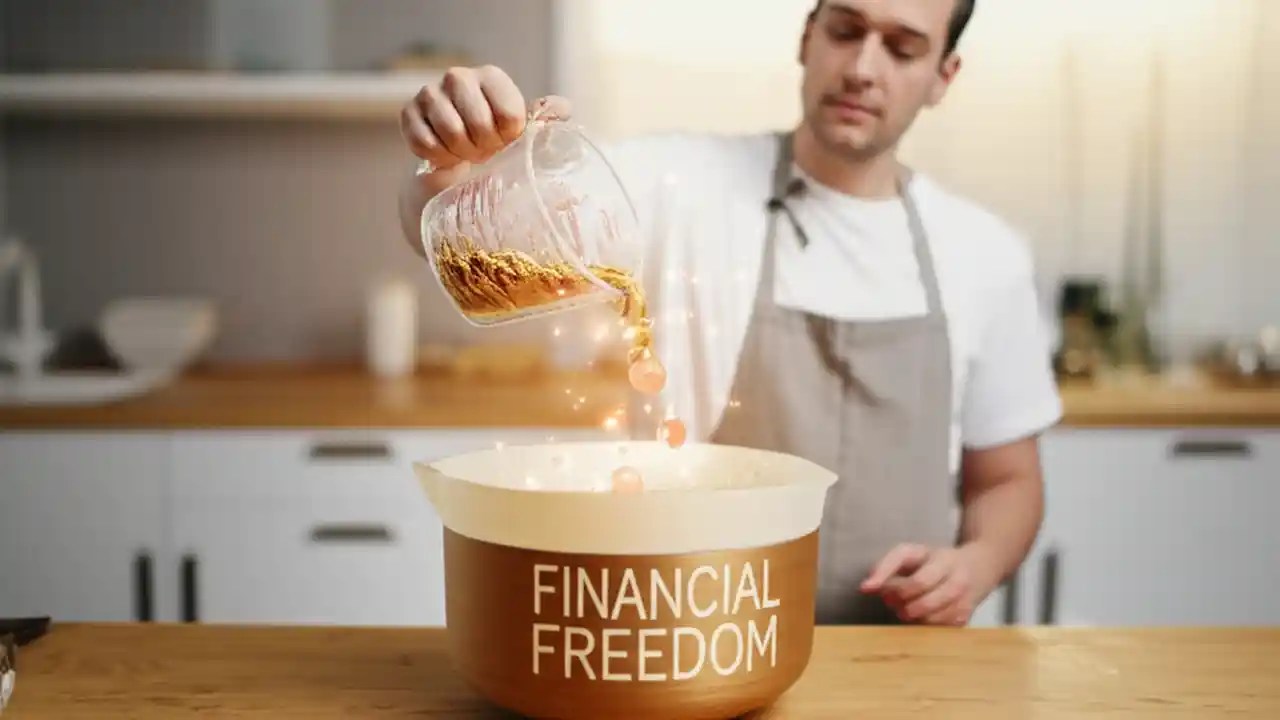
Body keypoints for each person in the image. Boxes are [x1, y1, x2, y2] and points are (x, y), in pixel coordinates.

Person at [396, 0, 1063, 626]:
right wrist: (450, 167)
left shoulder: (985, 254)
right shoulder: (678, 186)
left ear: (943, 75)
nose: (863, 68)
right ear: (807, 35)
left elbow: (1008, 480)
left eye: (903, 48)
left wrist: (976, 566)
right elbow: (468, 242)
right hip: (692, 639)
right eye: (845, 29)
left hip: (900, 656)